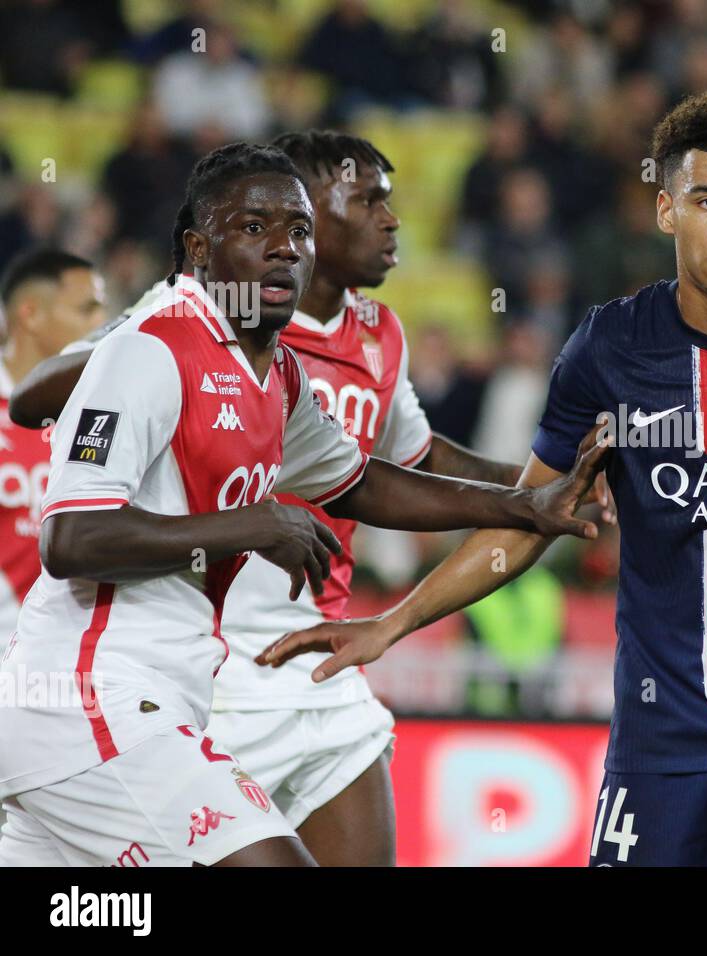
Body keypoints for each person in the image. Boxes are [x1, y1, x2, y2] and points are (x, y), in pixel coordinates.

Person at [262, 91, 707, 867]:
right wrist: (395, 623)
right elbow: (532, 515)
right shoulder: (609, 349)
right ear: (666, 211)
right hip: (667, 732)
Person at [0, 143, 605, 868]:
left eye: (296, 230)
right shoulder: (151, 347)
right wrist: (254, 524)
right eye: (253, 229)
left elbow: (362, 481)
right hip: (92, 697)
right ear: (198, 248)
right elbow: (69, 538)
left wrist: (526, 503)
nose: (283, 248)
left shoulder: (277, 369)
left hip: (163, 692)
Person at [0, 249, 106, 636]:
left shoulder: (100, 411)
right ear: (30, 314)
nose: (102, 323)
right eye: (87, 310)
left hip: (68, 649)